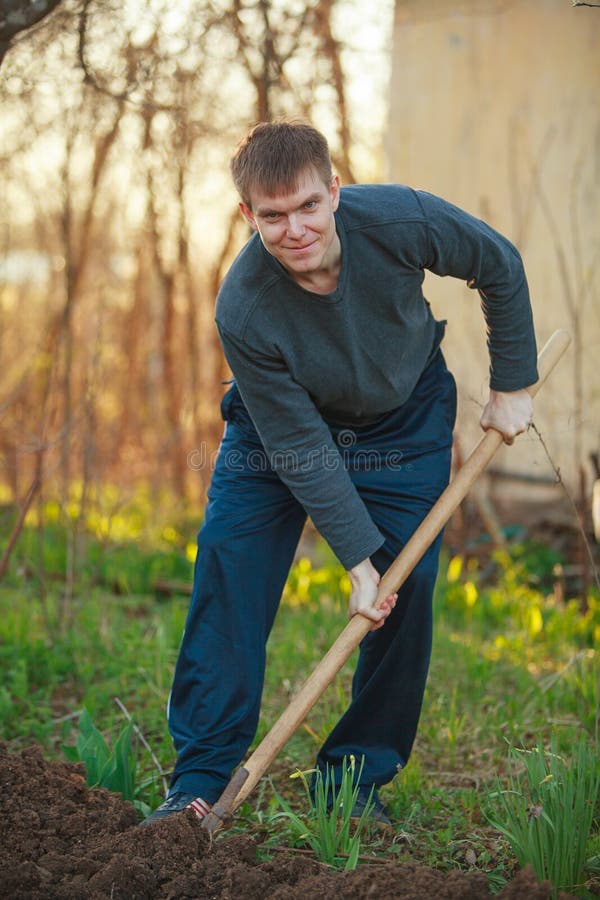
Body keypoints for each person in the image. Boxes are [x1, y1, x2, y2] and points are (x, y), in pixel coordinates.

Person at [145, 119, 537, 826]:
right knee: (230, 567)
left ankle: (352, 779)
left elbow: (498, 264)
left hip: (403, 418)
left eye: (306, 206)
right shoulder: (244, 305)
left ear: (334, 190)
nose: (294, 228)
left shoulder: (398, 219)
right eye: (272, 215)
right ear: (248, 215)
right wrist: (355, 557)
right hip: (279, 435)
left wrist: (513, 381)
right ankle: (199, 781)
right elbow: (297, 444)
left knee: (406, 582)